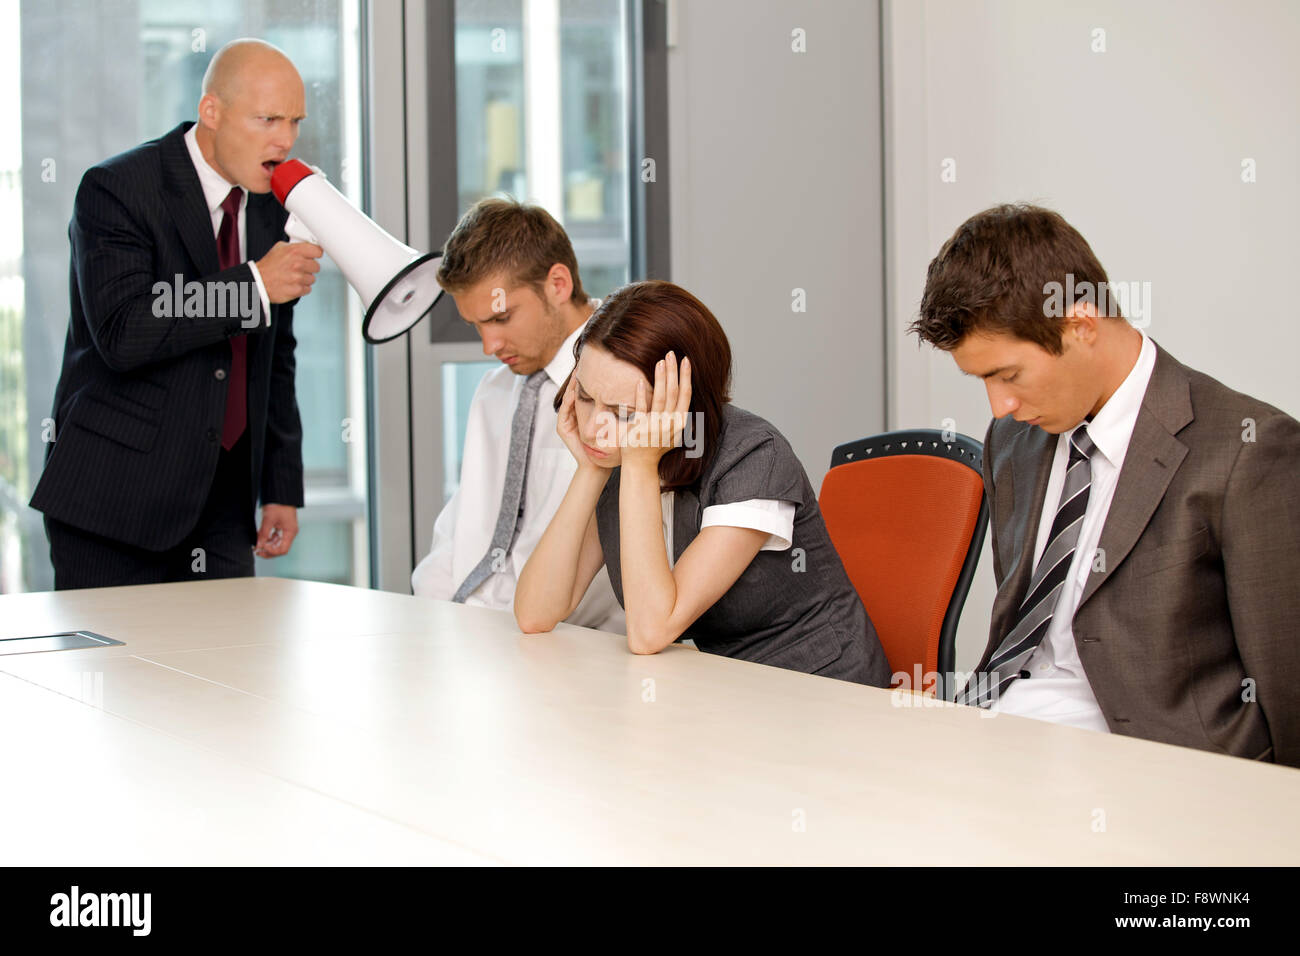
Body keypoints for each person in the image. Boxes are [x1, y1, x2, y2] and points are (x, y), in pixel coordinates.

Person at [910, 203, 1300, 767]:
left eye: (1009, 374)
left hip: (1155, 766)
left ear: (1081, 324)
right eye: (983, 381)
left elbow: (1287, 690)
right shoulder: (1014, 442)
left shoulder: (1249, 449)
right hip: (997, 736)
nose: (1001, 406)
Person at [30, 39, 324, 589]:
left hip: (223, 509)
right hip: (112, 504)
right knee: (110, 675)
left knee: (228, 671)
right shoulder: (116, 189)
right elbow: (125, 329)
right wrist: (254, 284)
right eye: (267, 119)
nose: (284, 140)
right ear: (211, 111)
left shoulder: (270, 206)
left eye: (295, 121)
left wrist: (281, 485)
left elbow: (272, 355)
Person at [514, 280, 891, 686]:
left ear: (681, 404)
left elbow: (650, 631)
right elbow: (536, 613)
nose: (593, 428)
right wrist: (590, 469)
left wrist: (639, 467)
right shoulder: (619, 456)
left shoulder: (754, 458)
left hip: (822, 686)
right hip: (725, 686)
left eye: (622, 412)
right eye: (585, 398)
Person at [411, 198, 623, 632]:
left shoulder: (625, 384)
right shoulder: (494, 392)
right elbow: (459, 529)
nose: (489, 345)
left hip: (566, 642)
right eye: (476, 326)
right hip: (472, 635)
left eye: (502, 317)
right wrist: (433, 621)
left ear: (558, 284)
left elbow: (603, 573)